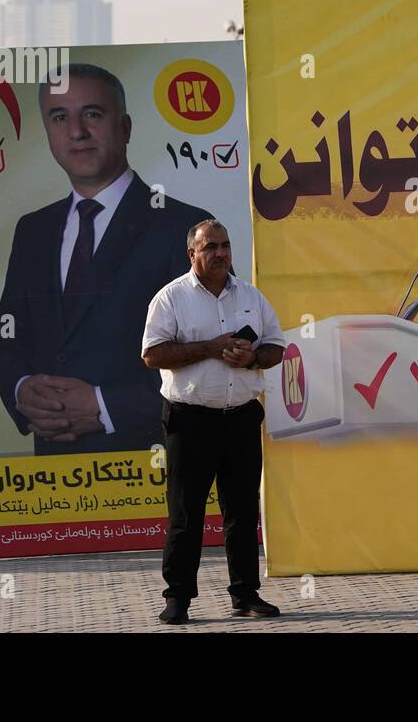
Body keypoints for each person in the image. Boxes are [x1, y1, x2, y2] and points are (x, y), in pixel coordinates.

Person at [0, 63, 213, 456]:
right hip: (54, 480)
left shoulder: (185, 227)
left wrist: (106, 406)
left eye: (92, 113)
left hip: (153, 467)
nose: (76, 131)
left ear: (124, 126)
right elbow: (6, 334)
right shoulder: (33, 231)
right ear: (48, 133)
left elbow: (212, 353)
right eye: (60, 117)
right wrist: (22, 388)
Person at [142, 220, 285, 624]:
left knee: (241, 512)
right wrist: (211, 348)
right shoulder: (171, 298)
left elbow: (276, 346)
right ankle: (179, 599)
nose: (220, 253)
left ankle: (245, 595)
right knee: (186, 515)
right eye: (210, 247)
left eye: (225, 245)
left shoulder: (251, 295)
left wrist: (253, 358)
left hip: (240, 419)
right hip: (190, 421)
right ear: (193, 254)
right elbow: (152, 355)